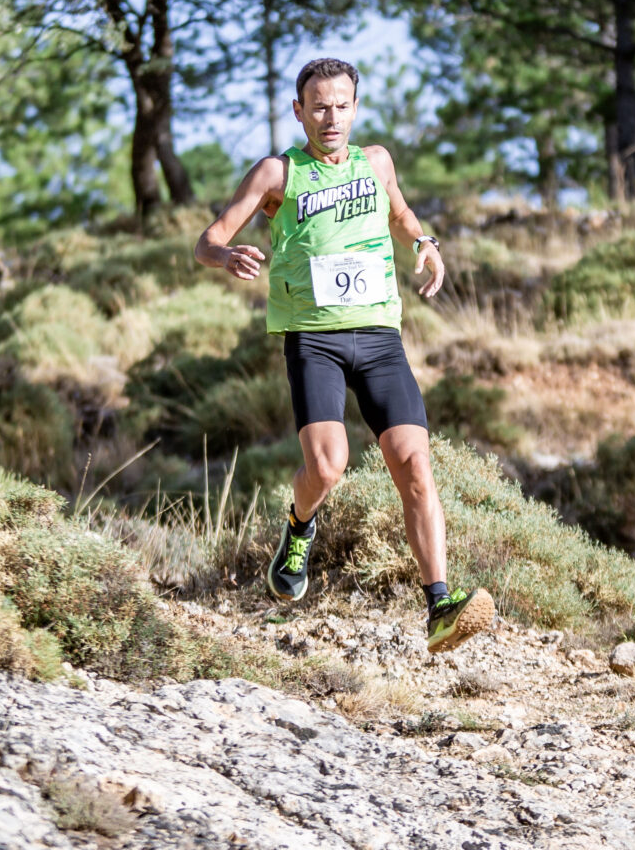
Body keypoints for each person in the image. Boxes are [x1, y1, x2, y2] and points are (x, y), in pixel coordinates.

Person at [194, 57, 493, 654]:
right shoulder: (277, 173)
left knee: (414, 465)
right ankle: (298, 528)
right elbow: (208, 239)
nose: (331, 117)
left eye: (342, 105)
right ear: (299, 110)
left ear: (355, 107)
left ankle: (439, 605)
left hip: (380, 336)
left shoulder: (375, 161)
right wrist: (227, 258)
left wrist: (426, 244)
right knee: (328, 467)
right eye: (319, 106)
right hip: (314, 338)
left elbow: (400, 213)